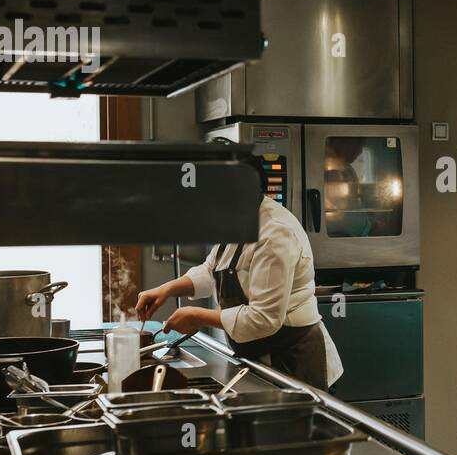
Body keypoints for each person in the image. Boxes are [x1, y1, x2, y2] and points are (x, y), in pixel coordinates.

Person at [134, 155, 343, 388]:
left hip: (293, 362)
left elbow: (263, 318)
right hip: (259, 358)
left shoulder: (275, 234)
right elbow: (213, 269)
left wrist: (197, 317)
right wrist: (167, 289)